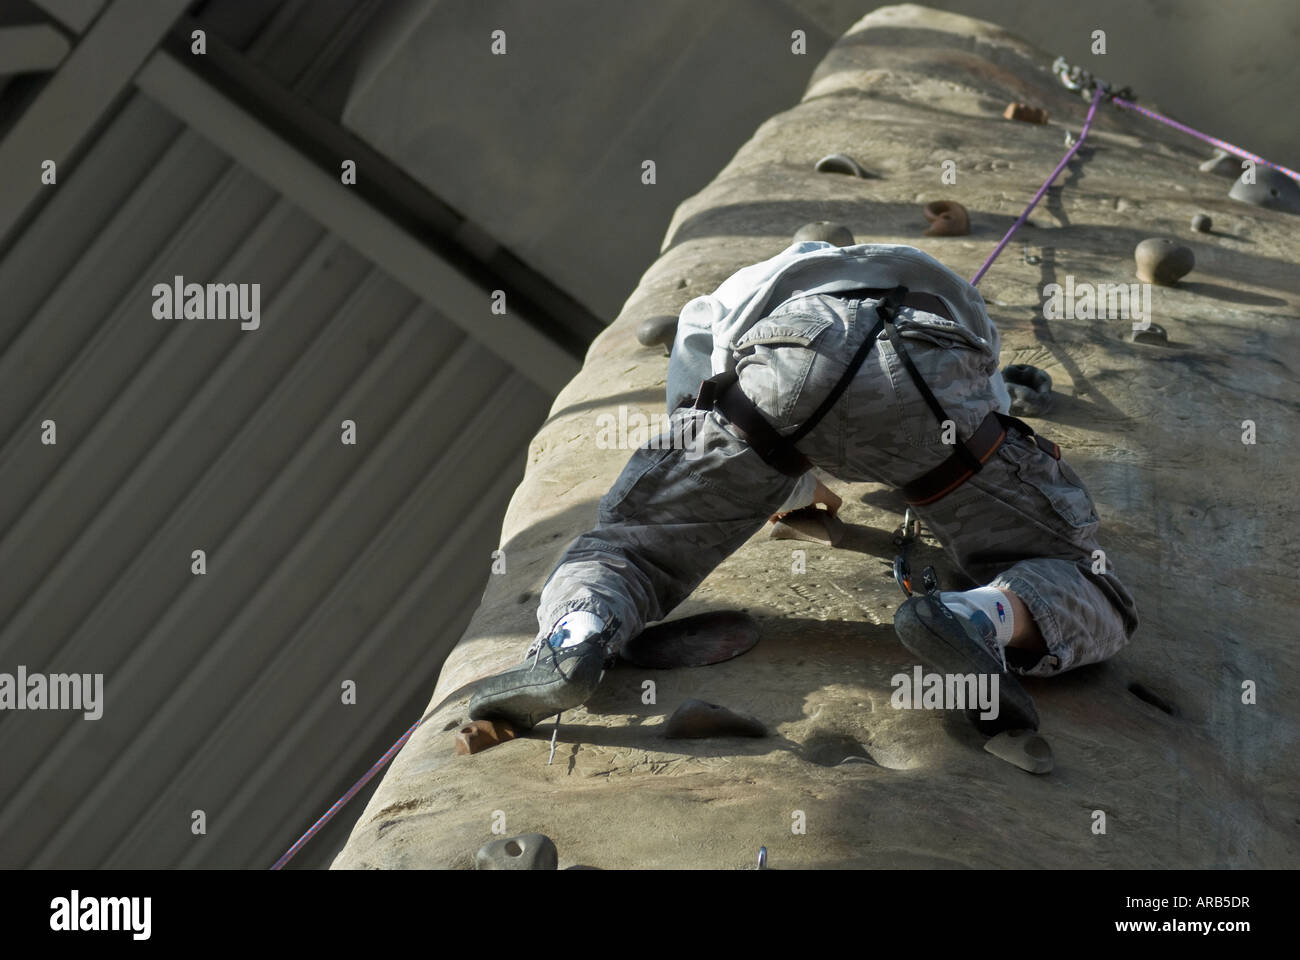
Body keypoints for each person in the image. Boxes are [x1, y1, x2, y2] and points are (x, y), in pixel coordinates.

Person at [470, 241, 1138, 732]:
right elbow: (977, 420)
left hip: (788, 359)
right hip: (930, 357)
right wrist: (922, 484)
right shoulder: (950, 289)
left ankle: (578, 635)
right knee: (1074, 573)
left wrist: (785, 490)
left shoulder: (758, 280)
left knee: (632, 549)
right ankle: (978, 616)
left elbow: (696, 388)